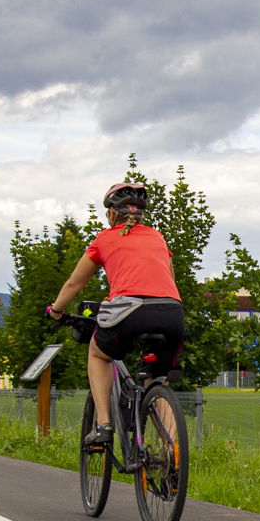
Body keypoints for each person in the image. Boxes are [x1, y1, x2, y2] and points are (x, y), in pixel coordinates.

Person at [46, 181, 185, 449]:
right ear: (141, 215)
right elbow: (169, 277)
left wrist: (55, 311)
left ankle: (103, 425)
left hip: (130, 312)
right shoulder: (157, 237)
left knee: (98, 353)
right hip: (172, 313)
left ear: (111, 214)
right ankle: (172, 453)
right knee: (156, 382)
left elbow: (75, 283)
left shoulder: (105, 238)